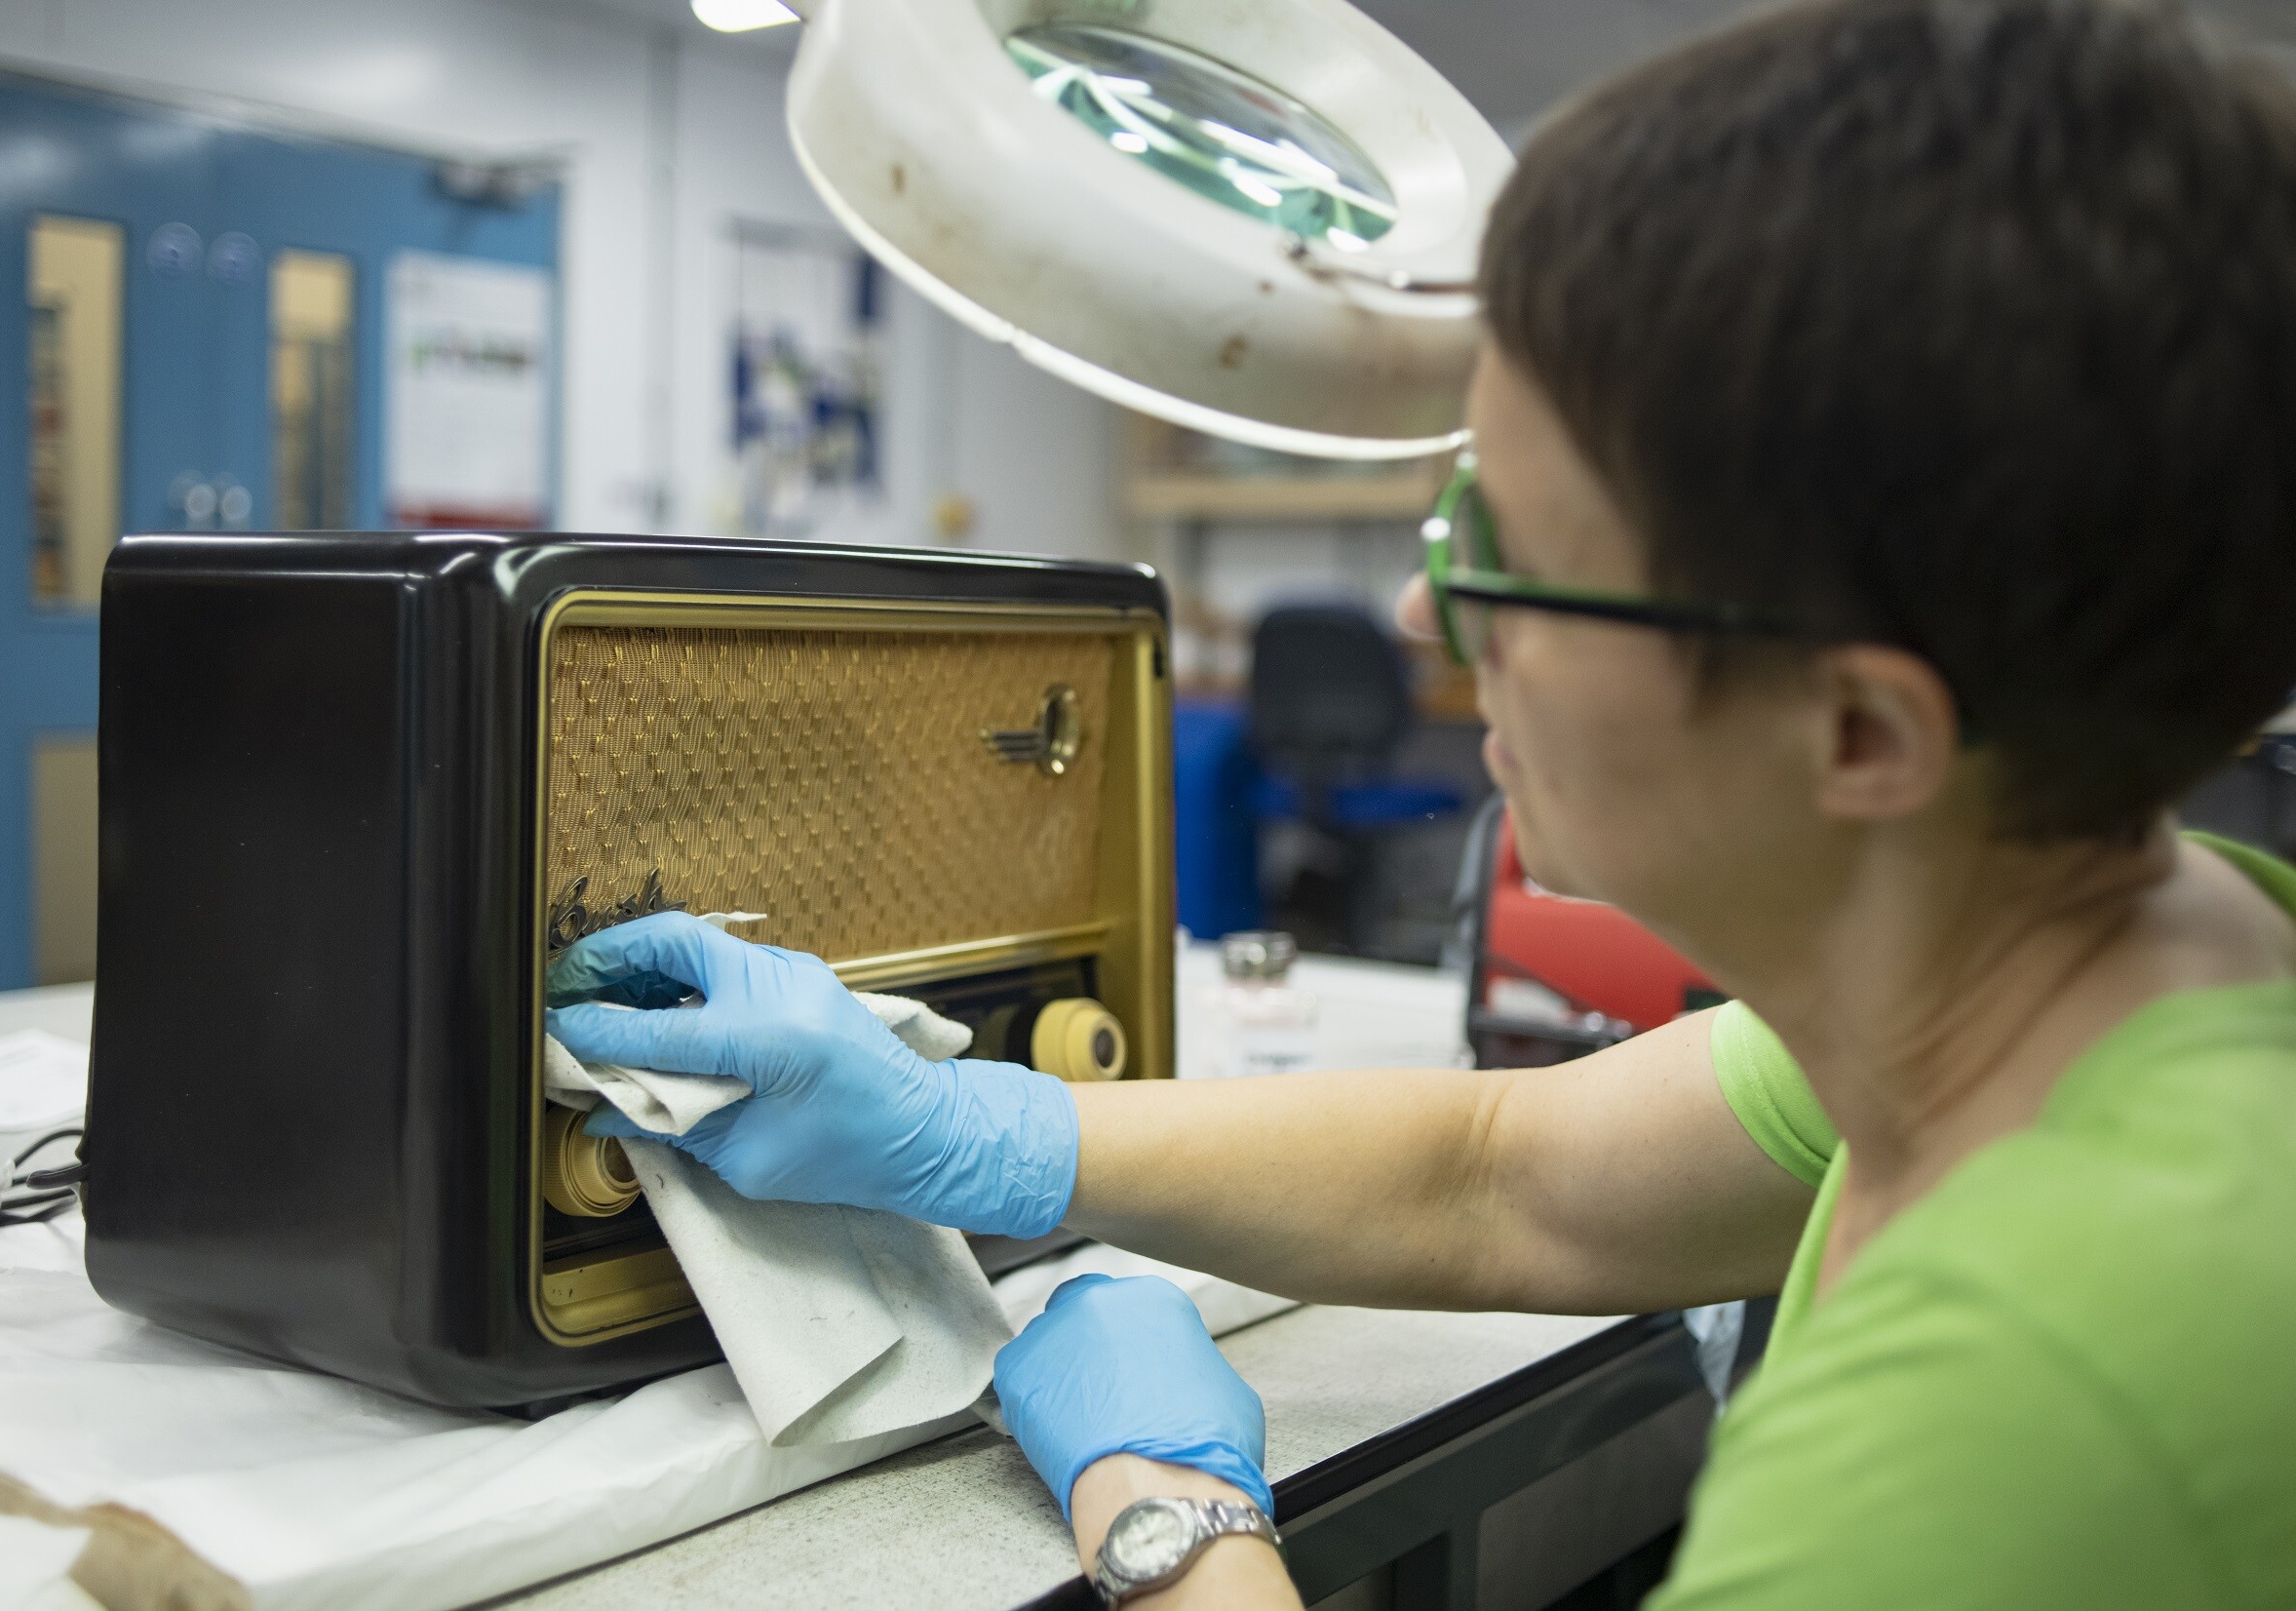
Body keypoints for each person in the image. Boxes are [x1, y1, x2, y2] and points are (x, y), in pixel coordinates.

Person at [548, 0, 2296, 1603]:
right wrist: (972, 1134)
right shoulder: (2120, 944)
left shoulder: (2025, 1411)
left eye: (1503, 559)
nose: (1418, 619)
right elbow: (1505, 1171)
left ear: (1859, 736)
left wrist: (1172, 1523)